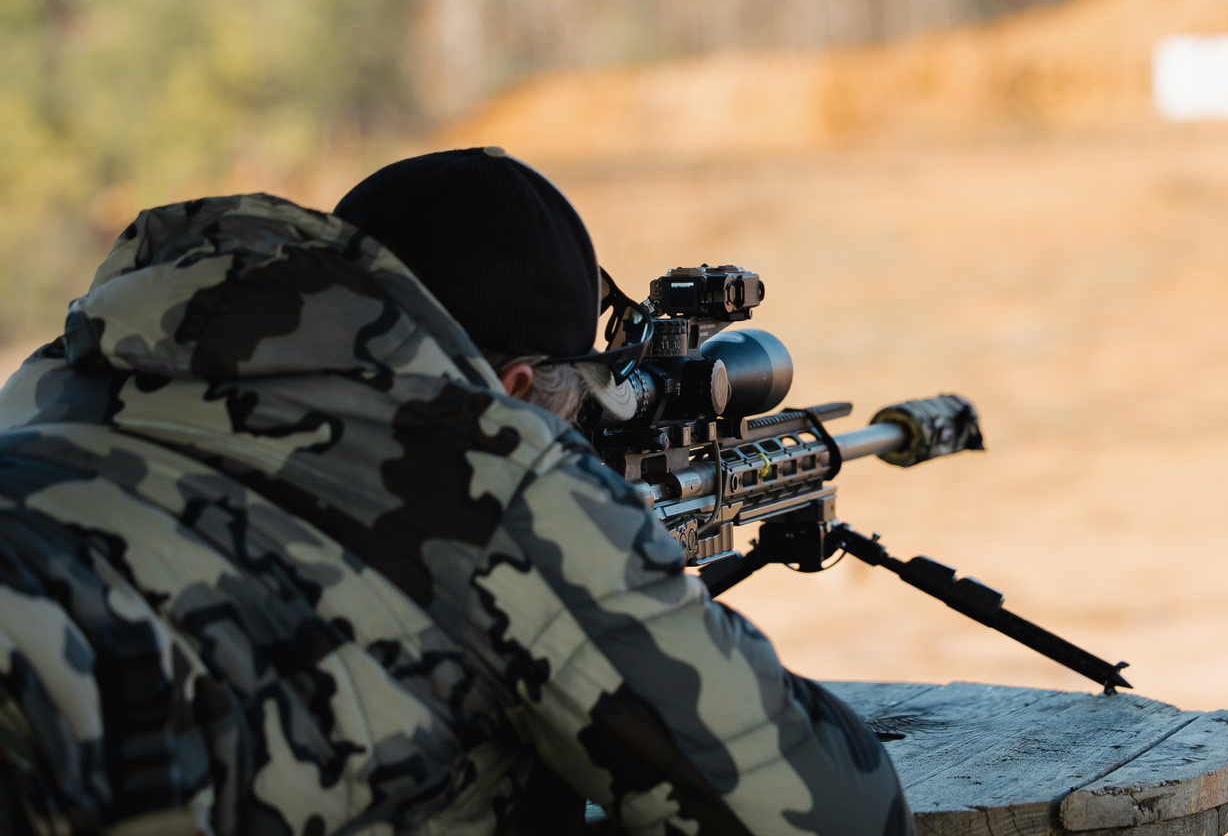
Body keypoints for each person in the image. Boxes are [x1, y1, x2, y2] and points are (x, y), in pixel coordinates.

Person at [0, 147, 914, 836]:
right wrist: (631, 581)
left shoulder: (58, 383)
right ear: (513, 388)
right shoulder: (486, 473)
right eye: (575, 395)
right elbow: (837, 813)